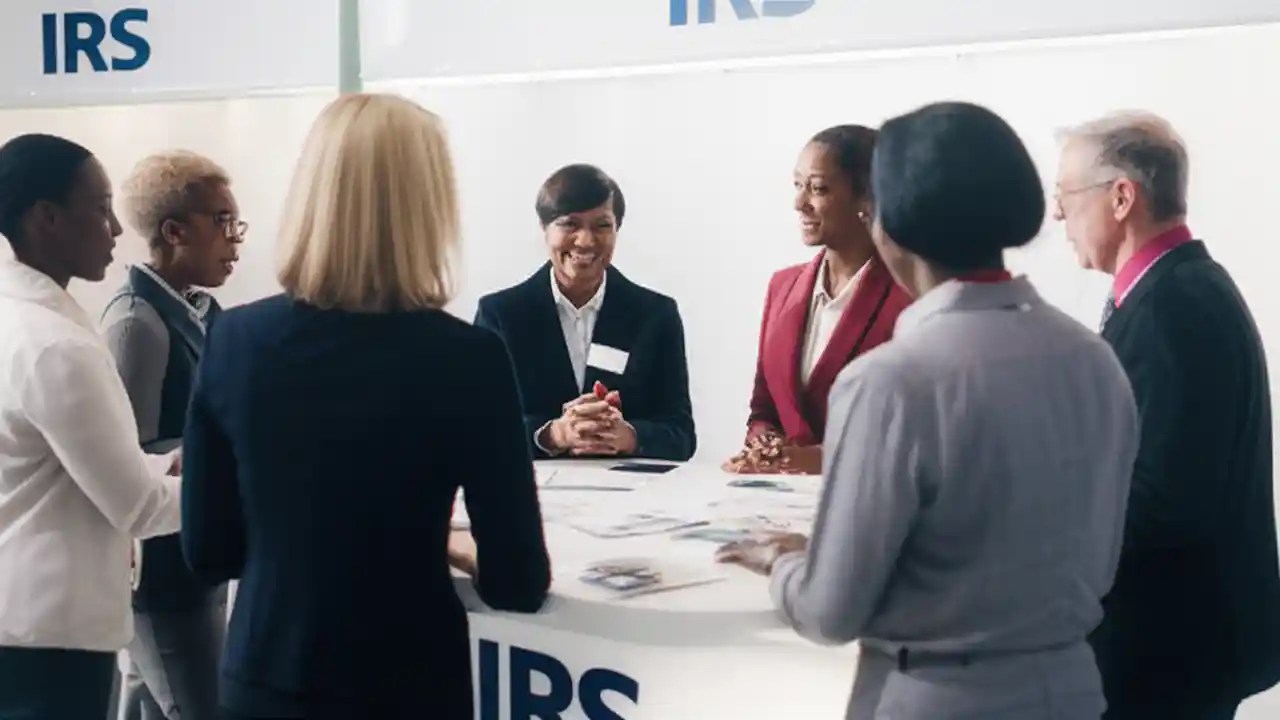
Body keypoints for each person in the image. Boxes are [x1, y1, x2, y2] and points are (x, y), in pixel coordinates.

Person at [716, 102, 1139, 719]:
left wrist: (784, 561)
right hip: (1071, 689)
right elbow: (1094, 562)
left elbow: (830, 611)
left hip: (937, 698)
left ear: (886, 217)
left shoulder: (890, 381)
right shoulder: (1093, 358)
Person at [179, 93, 552, 719]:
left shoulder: (235, 341)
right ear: (430, 207)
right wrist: (444, 546)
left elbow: (210, 552)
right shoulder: (470, 357)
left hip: (266, 674)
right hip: (410, 680)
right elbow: (517, 579)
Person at [1054, 111, 1280, 718]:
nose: (1057, 217)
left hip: (1166, 651)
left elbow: (1161, 502)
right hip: (1173, 640)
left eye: (1066, 198)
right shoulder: (1178, 291)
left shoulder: (1174, 308)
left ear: (1122, 197)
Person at [0, 133, 183, 718]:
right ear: (47, 218)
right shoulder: (57, 344)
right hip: (52, 635)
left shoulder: (20, 320)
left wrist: (161, 466)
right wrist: (245, 486)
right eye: (101, 209)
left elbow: (45, 465)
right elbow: (138, 508)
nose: (116, 230)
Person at [102, 150, 245, 720]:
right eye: (222, 222)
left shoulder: (200, 311)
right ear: (174, 232)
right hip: (162, 576)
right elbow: (124, 459)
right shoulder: (138, 322)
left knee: (149, 706)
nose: (235, 240)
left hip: (194, 553)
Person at [473, 164, 696, 462]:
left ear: (617, 229)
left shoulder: (656, 315)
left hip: (635, 500)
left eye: (602, 225)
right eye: (570, 224)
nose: (586, 241)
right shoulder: (500, 315)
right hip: (533, 494)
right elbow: (479, 430)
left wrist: (629, 435)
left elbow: (681, 434)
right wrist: (554, 434)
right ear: (544, 228)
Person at [724, 125, 911, 475]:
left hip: (869, 504)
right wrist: (765, 446)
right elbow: (764, 409)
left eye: (818, 188)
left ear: (867, 198)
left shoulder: (909, 297)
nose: (799, 203)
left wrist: (810, 460)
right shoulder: (783, 286)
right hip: (779, 506)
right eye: (798, 185)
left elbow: (911, 433)